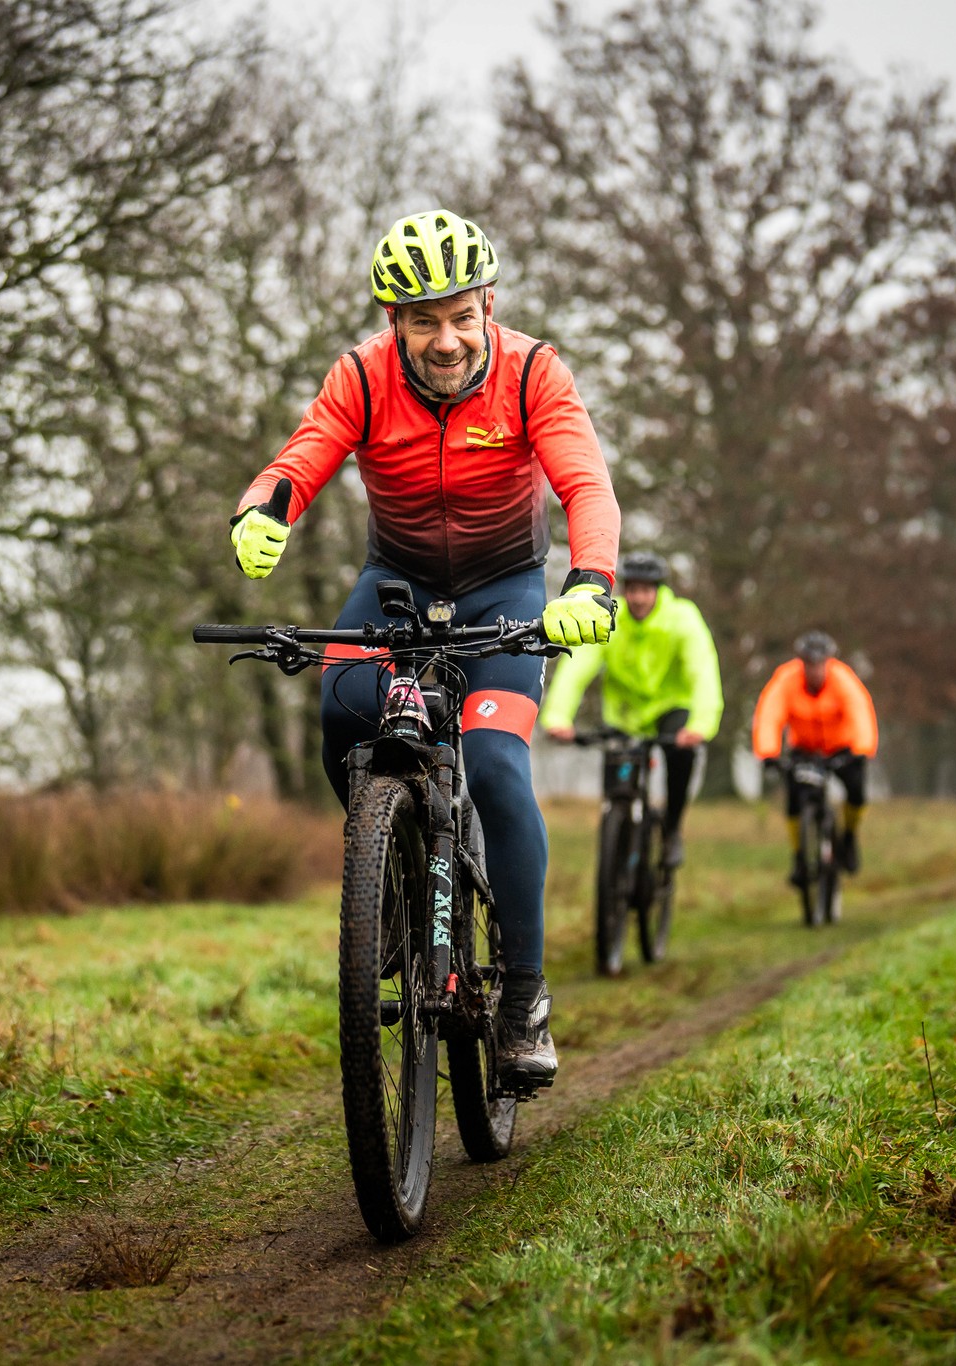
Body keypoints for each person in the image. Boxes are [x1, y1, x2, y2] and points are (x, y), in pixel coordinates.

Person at [227, 209, 621, 1090]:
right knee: (338, 711)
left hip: (506, 592)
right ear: (392, 322)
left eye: (460, 317)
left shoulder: (533, 375)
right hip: (397, 586)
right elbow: (304, 454)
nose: (445, 341)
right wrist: (264, 508)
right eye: (421, 321)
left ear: (488, 306)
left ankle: (523, 994)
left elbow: (585, 483)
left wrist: (589, 579)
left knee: (494, 759)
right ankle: (393, 880)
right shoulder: (362, 377)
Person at [540, 550, 723, 868]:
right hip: (624, 715)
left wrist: (700, 725)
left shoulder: (682, 618)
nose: (638, 597)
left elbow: (703, 671)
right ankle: (618, 826)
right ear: (624, 589)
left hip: (671, 709)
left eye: (646, 589)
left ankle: (672, 831)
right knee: (618, 781)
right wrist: (558, 717)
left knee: (681, 757)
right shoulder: (610, 617)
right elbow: (577, 668)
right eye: (632, 589)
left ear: (657, 590)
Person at [752, 631, 878, 883]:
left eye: (820, 664)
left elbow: (860, 712)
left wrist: (862, 750)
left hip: (842, 748)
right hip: (805, 749)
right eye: (809, 664)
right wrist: (769, 753)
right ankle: (800, 856)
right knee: (795, 800)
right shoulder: (786, 679)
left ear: (828, 662)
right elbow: (769, 715)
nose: (815, 670)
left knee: (856, 791)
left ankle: (849, 838)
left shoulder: (843, 679)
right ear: (801, 663)